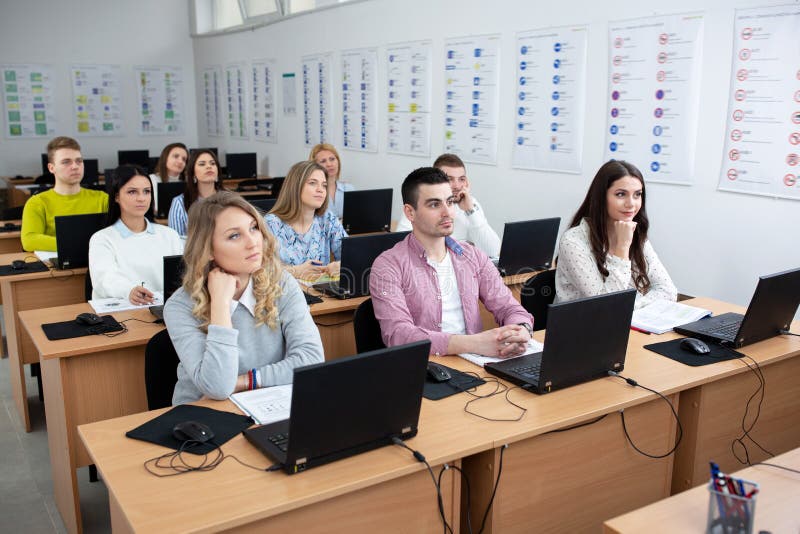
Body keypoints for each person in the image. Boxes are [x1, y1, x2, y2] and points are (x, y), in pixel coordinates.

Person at [164, 191, 324, 405]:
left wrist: (244, 381)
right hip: (203, 413)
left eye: (253, 228)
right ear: (208, 249)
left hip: (269, 403)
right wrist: (220, 304)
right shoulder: (179, 306)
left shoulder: (281, 282)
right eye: (234, 235)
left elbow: (312, 359)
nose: (253, 242)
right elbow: (219, 387)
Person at [370, 167, 533, 358]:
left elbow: (508, 307)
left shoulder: (473, 256)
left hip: (475, 361)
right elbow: (399, 335)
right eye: (434, 205)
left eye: (450, 202)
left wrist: (521, 330)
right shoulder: (388, 265)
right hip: (426, 367)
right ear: (410, 212)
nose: (448, 212)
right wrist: (474, 343)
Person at [555, 160, 677, 309]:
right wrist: (622, 247)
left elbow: (668, 291)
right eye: (621, 194)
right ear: (601, 197)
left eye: (637, 195)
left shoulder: (634, 232)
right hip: (581, 327)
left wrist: (631, 306)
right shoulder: (573, 241)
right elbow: (606, 306)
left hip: (626, 323)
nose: (631, 203)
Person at [88, 165, 183, 304]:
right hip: (123, 311)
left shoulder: (169, 235)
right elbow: (105, 279)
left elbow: (183, 276)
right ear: (116, 197)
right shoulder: (102, 238)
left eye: (146, 191)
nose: (141, 198)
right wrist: (129, 290)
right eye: (132, 192)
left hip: (165, 309)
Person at [396, 153, 500, 257]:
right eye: (449, 179)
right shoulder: (422, 204)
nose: (457, 186)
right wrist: (461, 248)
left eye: (461, 179)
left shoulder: (470, 204)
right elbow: (400, 248)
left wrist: (470, 211)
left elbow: (492, 251)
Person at [21, 136, 108, 251]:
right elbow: (29, 241)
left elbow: (120, 233)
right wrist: (81, 244)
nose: (75, 166)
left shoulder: (102, 198)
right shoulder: (37, 202)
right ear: (51, 168)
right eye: (66, 162)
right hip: (56, 267)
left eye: (79, 161)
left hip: (97, 263)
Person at [265, 160, 348, 281]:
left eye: (324, 185)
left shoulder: (327, 218)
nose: (320, 189)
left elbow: (351, 255)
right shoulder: (271, 224)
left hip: (321, 294)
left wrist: (341, 265)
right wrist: (296, 271)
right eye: (313, 183)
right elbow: (259, 272)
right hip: (282, 295)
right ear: (295, 187)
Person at [167, 149, 223, 237]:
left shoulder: (230, 198)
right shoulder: (179, 202)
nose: (209, 166)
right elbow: (176, 241)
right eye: (202, 164)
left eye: (212, 163)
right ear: (193, 174)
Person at [309, 143, 354, 219]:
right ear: (314, 166)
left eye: (332, 159)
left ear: (338, 161)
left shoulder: (348, 188)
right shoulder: (310, 192)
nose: (329, 164)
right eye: (323, 161)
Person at [149, 142, 188, 208]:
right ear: (165, 158)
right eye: (176, 156)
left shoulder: (189, 182)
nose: (180, 161)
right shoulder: (151, 180)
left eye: (184, 159)